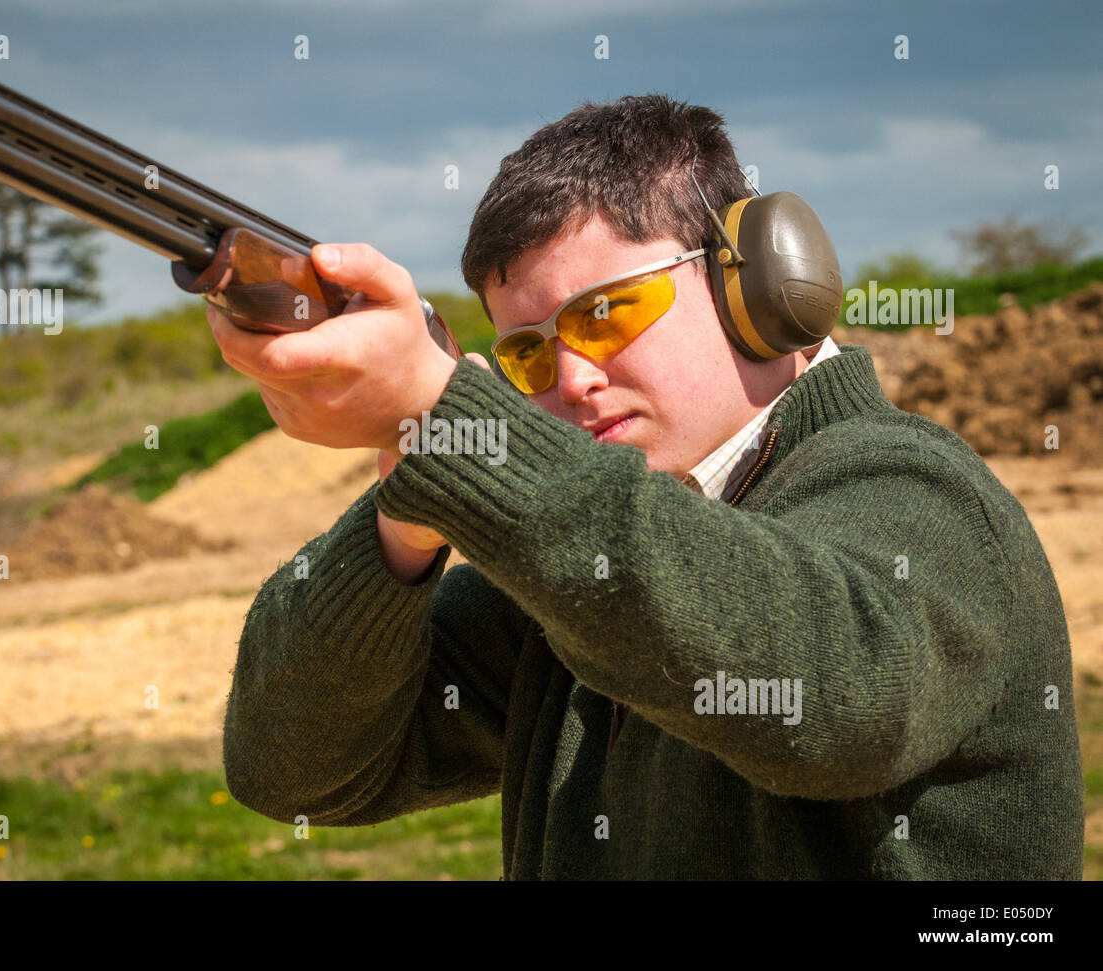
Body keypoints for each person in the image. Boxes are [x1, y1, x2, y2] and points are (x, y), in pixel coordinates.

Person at [211, 95, 1084, 879]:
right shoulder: (583, 571)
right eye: (528, 352)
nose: (571, 378)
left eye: (606, 312)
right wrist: (407, 514)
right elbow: (295, 770)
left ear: (759, 285)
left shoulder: (917, 492)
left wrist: (449, 417)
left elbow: (835, 697)